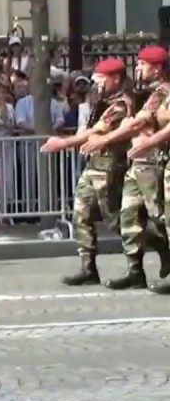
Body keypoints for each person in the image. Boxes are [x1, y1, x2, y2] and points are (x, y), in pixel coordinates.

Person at [41, 57, 134, 286]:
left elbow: (98, 130)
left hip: (111, 167)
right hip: (94, 165)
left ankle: (150, 257)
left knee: (117, 220)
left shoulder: (121, 103)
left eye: (100, 80)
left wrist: (63, 143)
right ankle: (88, 267)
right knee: (81, 213)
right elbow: (91, 131)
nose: (96, 85)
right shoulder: (102, 101)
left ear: (115, 78)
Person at [89, 46, 170, 289]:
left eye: (143, 64)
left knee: (163, 217)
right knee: (128, 215)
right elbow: (139, 121)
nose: (138, 69)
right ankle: (135, 271)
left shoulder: (165, 91)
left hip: (157, 160)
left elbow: (143, 123)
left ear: (156, 68)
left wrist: (106, 139)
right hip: (142, 161)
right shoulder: (150, 93)